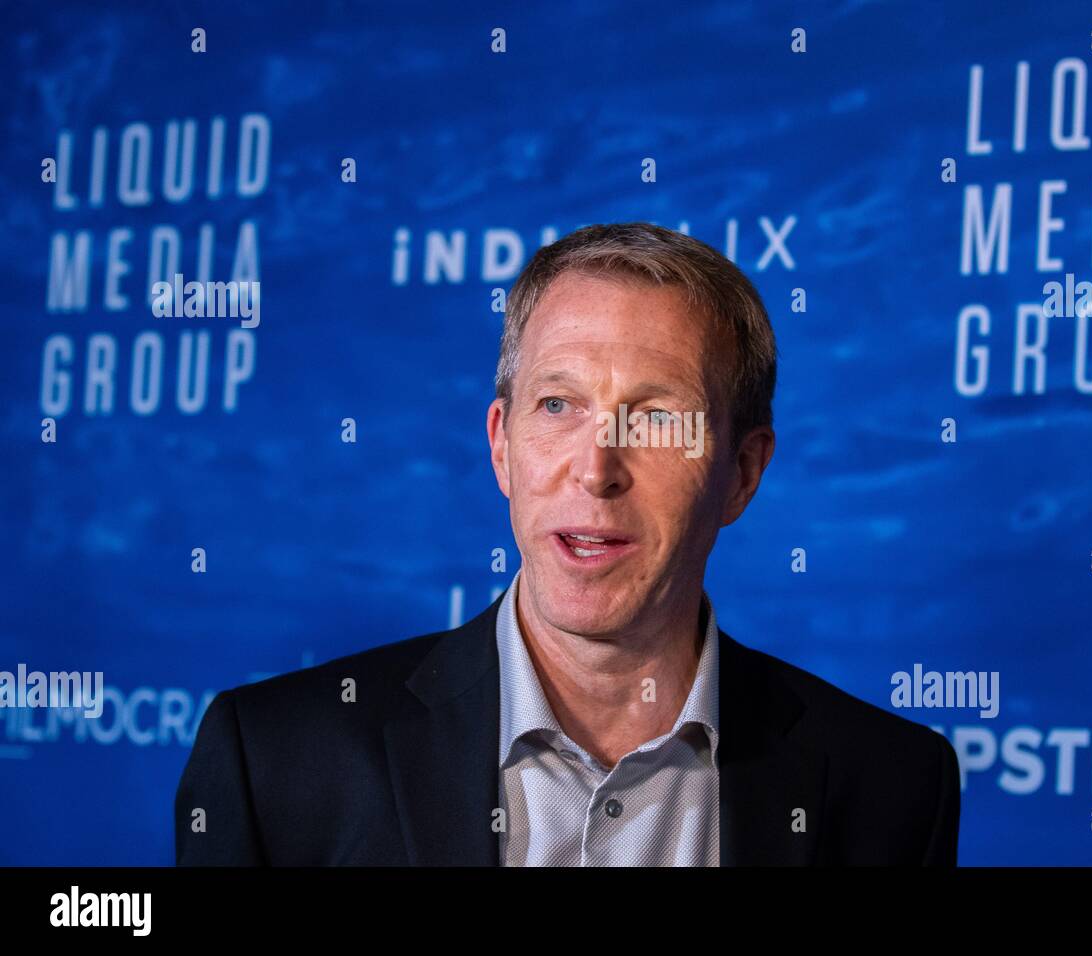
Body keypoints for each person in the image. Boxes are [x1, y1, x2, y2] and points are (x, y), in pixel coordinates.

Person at [175, 222, 960, 866]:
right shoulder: (274, 763)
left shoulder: (891, 788)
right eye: (558, 405)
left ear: (742, 474)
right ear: (501, 446)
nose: (595, 470)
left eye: (656, 419)